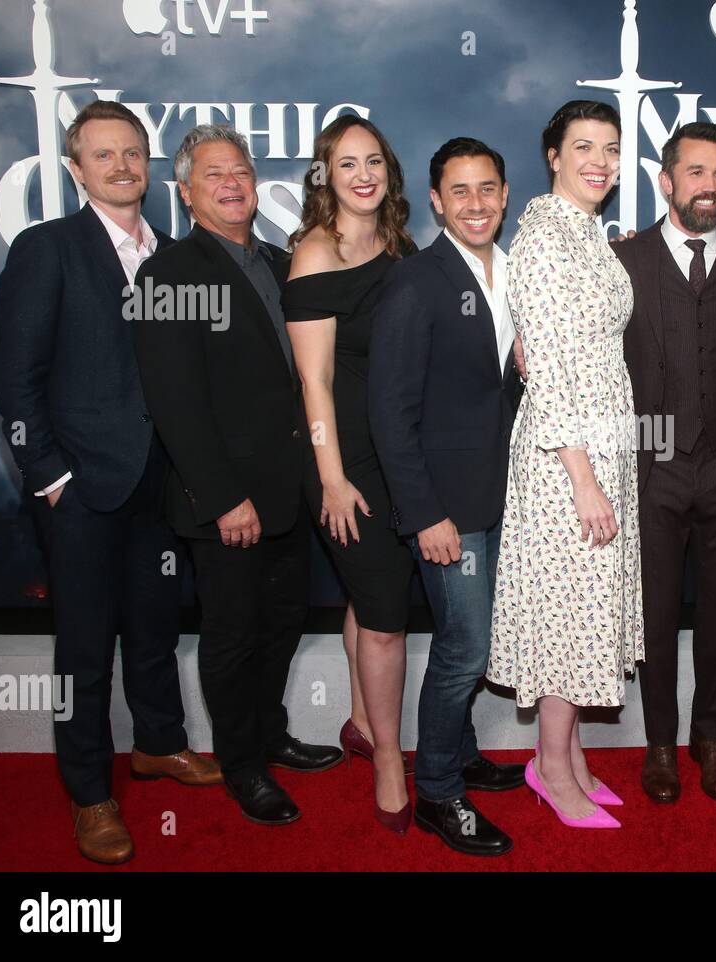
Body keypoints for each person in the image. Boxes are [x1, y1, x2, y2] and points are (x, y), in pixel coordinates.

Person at [0, 100, 219, 865]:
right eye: (103, 155)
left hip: (161, 485)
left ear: (148, 164)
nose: (122, 166)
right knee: (84, 651)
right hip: (82, 489)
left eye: (133, 153)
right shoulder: (46, 248)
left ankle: (158, 745)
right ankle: (90, 793)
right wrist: (51, 478)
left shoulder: (171, 256)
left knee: (154, 632)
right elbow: (14, 379)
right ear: (75, 167)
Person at [132, 124, 342, 828]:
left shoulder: (284, 264)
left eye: (242, 171)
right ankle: (242, 764)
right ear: (186, 192)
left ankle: (270, 732)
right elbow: (175, 402)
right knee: (233, 635)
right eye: (214, 174)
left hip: (291, 493)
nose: (232, 183)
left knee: (281, 623)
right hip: (229, 503)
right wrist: (223, 498)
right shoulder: (168, 273)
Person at [487, 100, 643, 829]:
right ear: (553, 155)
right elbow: (546, 371)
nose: (600, 161)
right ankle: (551, 770)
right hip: (564, 458)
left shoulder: (585, 233)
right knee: (566, 617)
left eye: (611, 148)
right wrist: (584, 480)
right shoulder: (546, 238)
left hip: (598, 448)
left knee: (584, 612)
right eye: (584, 146)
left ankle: (570, 755)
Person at [369, 137, 526, 856]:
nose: (475, 203)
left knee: (471, 641)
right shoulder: (416, 283)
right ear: (435, 200)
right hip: (445, 509)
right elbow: (388, 412)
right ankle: (437, 791)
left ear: (503, 192)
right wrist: (424, 513)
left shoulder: (511, 272)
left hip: (500, 495)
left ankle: (458, 752)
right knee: (466, 649)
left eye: (487, 188)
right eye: (458, 191)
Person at [612, 122, 716, 803]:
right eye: (696, 172)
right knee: (659, 614)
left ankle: (711, 738)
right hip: (654, 465)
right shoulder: (625, 259)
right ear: (666, 180)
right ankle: (663, 745)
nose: (711, 186)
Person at [283, 116, 417, 835]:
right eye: (346, 165)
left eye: (373, 161)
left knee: (372, 597)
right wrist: (332, 480)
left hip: (398, 453)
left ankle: (363, 721)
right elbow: (315, 383)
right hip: (343, 458)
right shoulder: (315, 255)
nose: (362, 174)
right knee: (387, 614)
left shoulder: (399, 246)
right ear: (325, 177)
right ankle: (391, 757)